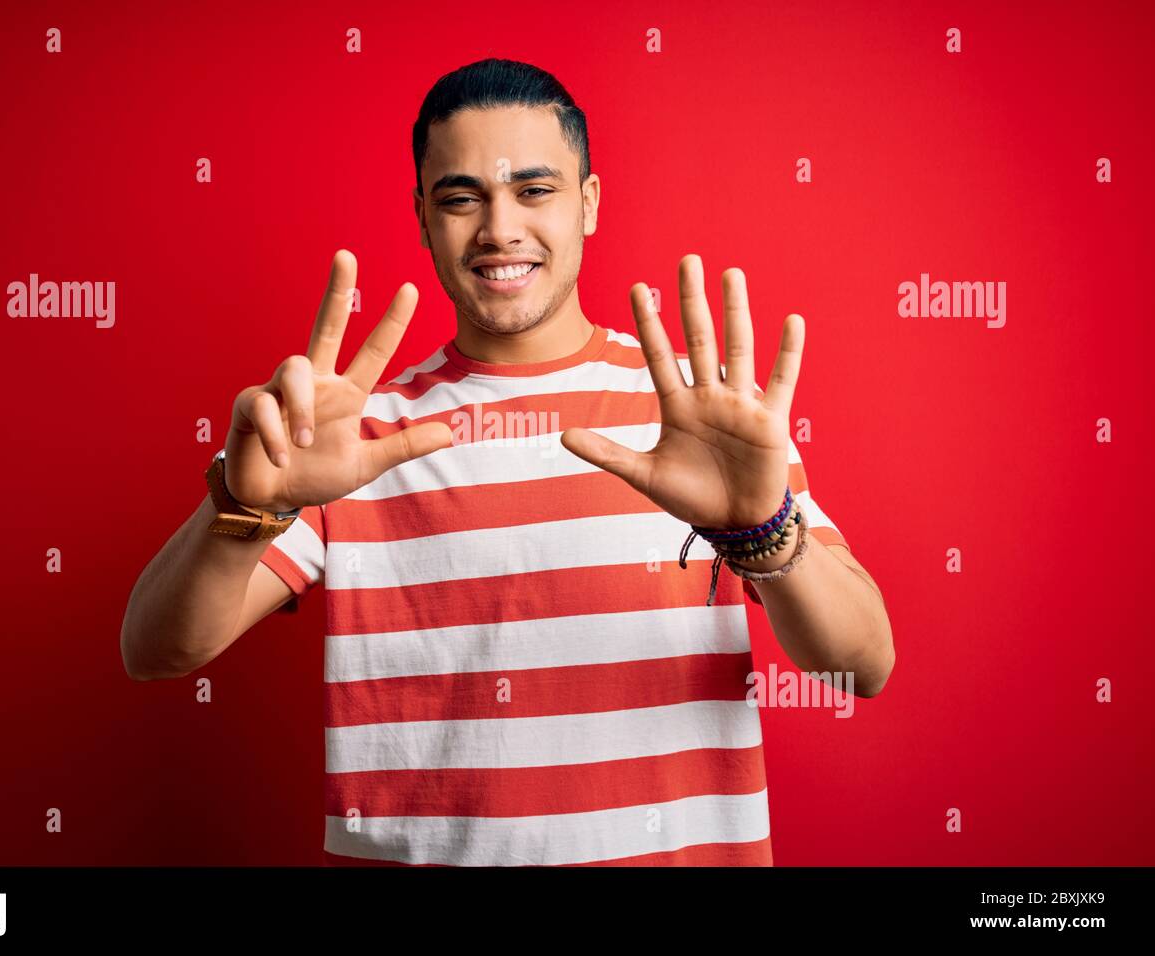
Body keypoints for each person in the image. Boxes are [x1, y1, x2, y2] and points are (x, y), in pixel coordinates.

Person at [120, 58, 894, 866]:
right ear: (422, 217)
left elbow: (861, 664)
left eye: (534, 190)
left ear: (588, 203)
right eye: (461, 198)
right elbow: (155, 651)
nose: (498, 229)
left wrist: (760, 532)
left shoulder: (709, 422)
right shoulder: (353, 439)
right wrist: (243, 511)